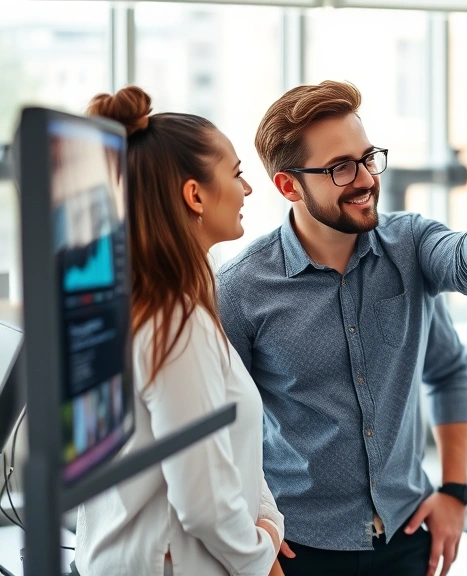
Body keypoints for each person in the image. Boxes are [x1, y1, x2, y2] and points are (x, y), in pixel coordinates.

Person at [216, 79, 467, 576]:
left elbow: (463, 274)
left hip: (406, 537)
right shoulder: (241, 290)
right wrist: (249, 534)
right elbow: (220, 428)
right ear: (289, 186)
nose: (366, 178)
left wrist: (455, 491)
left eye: (368, 157)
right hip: (297, 549)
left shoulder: (409, 244)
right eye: (340, 167)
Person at [75, 86, 288, 576]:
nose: (248, 189)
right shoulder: (175, 325)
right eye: (236, 173)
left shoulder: (134, 307)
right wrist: (262, 550)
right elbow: (205, 503)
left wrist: (267, 519)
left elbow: (220, 450)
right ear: (194, 194)